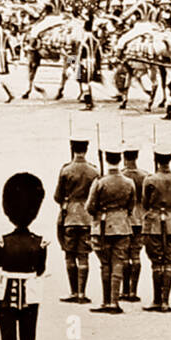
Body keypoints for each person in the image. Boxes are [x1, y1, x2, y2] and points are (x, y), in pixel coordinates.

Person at [0, 172, 46, 340]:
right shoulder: (39, 241)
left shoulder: (3, 240)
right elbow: (41, 269)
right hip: (31, 297)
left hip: (6, 297)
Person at [85, 148, 135, 315]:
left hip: (104, 226)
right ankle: (114, 301)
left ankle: (107, 301)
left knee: (105, 264)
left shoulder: (100, 182)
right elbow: (131, 206)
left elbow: (90, 207)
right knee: (119, 263)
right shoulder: (129, 182)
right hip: (122, 225)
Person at [54, 135, 97, 304]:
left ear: (73, 149)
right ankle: (82, 293)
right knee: (84, 256)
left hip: (70, 216)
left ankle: (73, 292)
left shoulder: (66, 170)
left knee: (69, 255)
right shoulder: (94, 171)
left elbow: (57, 196)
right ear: (86, 150)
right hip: (86, 218)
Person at [142, 148, 171, 313]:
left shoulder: (150, 180)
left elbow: (145, 204)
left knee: (156, 262)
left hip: (155, 223)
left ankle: (157, 300)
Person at [120, 146, 146, 303]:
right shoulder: (146, 175)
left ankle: (125, 290)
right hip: (141, 219)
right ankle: (133, 291)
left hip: (125, 219)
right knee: (136, 255)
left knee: (123, 255)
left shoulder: (121, 176)